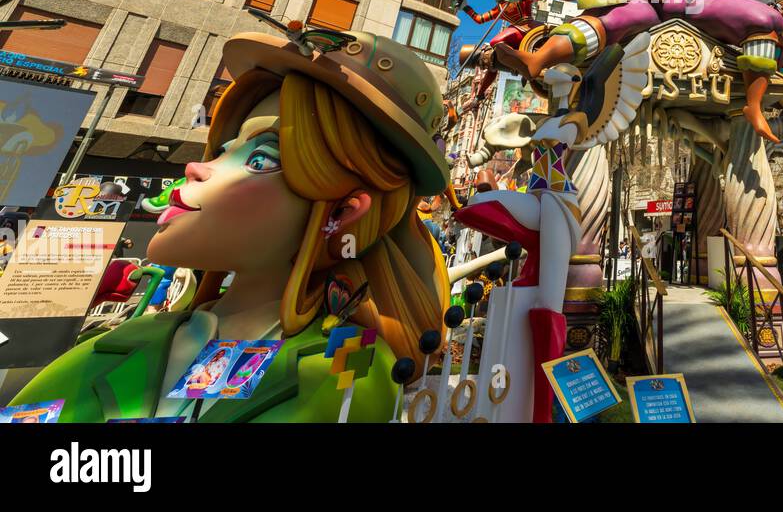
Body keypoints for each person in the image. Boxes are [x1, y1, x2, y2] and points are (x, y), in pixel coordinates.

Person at [10, 30, 452, 422]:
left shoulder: (346, 367)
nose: (197, 168)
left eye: (260, 159)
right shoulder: (122, 340)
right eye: (222, 150)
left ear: (342, 212)